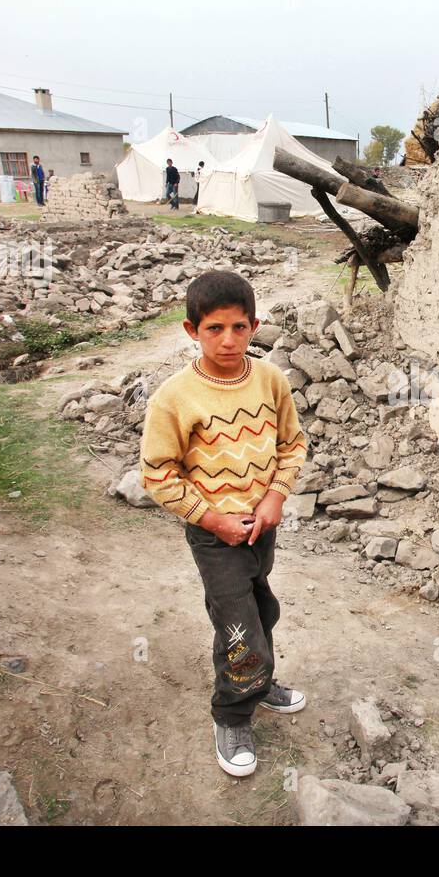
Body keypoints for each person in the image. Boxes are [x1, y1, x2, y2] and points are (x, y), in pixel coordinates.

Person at [139, 271, 308, 777]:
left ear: (255, 326)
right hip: (215, 536)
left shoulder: (270, 379)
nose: (229, 340)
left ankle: (259, 682)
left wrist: (276, 497)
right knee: (237, 627)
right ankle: (232, 714)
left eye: (239, 327)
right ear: (192, 330)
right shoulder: (174, 398)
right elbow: (157, 474)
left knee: (261, 608)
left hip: (263, 526)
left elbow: (292, 444)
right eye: (215, 329)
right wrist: (214, 519)